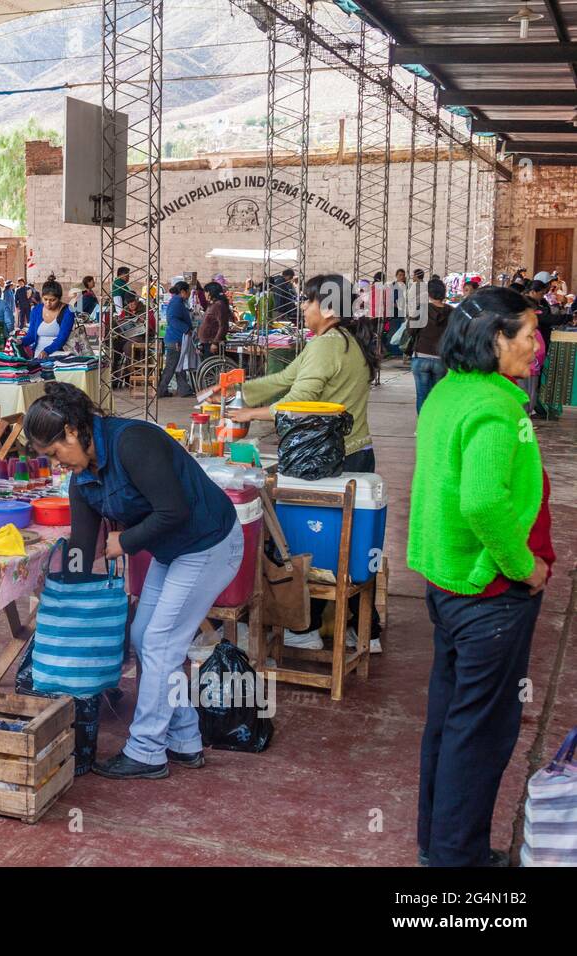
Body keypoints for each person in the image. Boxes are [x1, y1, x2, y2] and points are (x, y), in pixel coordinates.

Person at [24, 382, 241, 778]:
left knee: (159, 642)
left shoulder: (133, 442)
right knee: (145, 638)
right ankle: (184, 738)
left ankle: (147, 750)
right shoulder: (82, 478)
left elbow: (172, 510)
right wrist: (61, 597)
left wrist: (124, 542)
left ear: (73, 430)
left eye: (55, 453)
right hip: (172, 551)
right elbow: (82, 545)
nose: (57, 464)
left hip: (209, 543)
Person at [408, 286, 550, 868]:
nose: (537, 346)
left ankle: (437, 845)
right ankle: (457, 863)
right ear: (497, 340)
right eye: (528, 334)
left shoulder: (448, 391)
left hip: (449, 585)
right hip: (490, 594)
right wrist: (526, 566)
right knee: (481, 733)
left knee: (449, 720)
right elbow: (484, 503)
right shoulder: (496, 406)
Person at [224, 274, 379, 472]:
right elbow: (286, 377)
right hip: (357, 449)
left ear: (328, 309)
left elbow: (297, 402)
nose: (303, 307)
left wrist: (250, 414)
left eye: (308, 300)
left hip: (334, 455)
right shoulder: (345, 338)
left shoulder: (326, 345)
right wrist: (237, 391)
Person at [410, 277, 452, 412]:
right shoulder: (452, 312)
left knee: (422, 395)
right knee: (438, 396)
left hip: (421, 355)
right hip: (441, 358)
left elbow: (411, 330)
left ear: (428, 293)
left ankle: (422, 427)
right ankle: (435, 427)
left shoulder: (422, 309)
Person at [19, 280, 76, 359]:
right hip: (38, 356)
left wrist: (47, 351)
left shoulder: (68, 311)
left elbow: (62, 338)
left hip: (60, 357)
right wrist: (20, 341)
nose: (48, 303)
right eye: (45, 299)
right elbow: (31, 336)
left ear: (59, 298)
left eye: (52, 300)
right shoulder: (36, 310)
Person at [159, 280, 194, 398]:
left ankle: (184, 390)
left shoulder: (178, 302)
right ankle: (161, 390)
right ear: (183, 291)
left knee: (179, 365)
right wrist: (186, 329)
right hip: (175, 339)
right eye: (188, 291)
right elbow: (173, 320)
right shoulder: (176, 303)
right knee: (171, 366)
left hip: (176, 338)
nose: (189, 293)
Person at [197, 281, 232, 359]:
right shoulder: (213, 304)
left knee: (211, 368)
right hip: (206, 342)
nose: (204, 294)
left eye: (205, 292)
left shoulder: (219, 305)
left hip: (211, 343)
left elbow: (223, 326)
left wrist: (215, 343)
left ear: (210, 293)